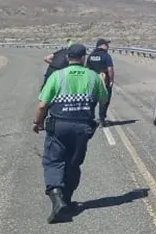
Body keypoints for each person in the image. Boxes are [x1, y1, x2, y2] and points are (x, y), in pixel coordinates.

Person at [33, 42, 109, 223]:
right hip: (82, 127)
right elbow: (104, 99)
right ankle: (65, 200)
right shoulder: (93, 77)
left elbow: (43, 104)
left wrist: (37, 122)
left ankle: (58, 198)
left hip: (59, 125)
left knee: (53, 161)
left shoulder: (58, 76)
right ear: (83, 58)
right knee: (73, 164)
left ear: (68, 57)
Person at [85, 38, 115, 125]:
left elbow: (87, 69)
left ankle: (90, 118)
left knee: (92, 100)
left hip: (93, 81)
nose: (108, 46)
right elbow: (110, 69)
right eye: (106, 44)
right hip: (103, 80)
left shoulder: (91, 55)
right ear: (102, 45)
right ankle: (102, 119)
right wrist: (111, 81)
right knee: (104, 99)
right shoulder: (106, 56)